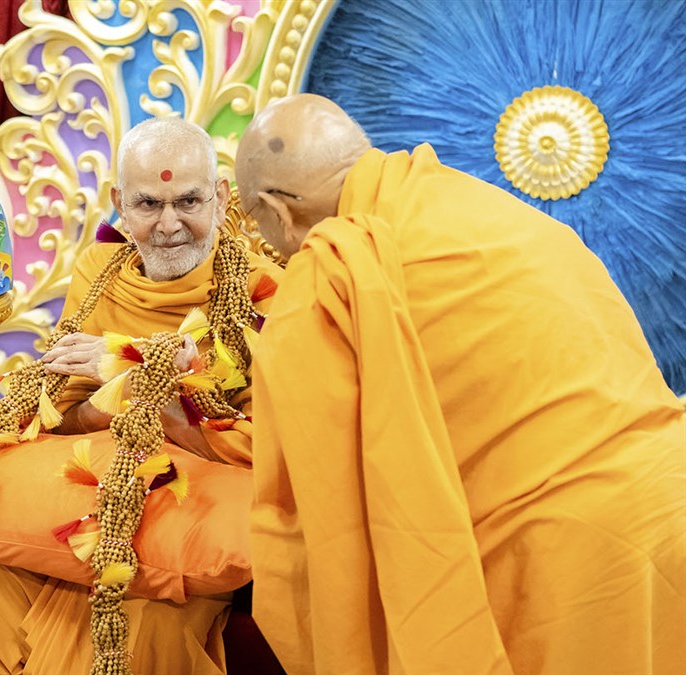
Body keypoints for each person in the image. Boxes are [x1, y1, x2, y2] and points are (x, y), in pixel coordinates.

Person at [235, 94, 686, 675]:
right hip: (669, 486)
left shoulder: (330, 278)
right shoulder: (468, 198)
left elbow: (324, 503)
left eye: (256, 223)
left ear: (276, 210)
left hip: (575, 557)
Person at [0, 117, 280, 674]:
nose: (169, 225)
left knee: (131, 622)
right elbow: (63, 414)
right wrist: (116, 395)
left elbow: (271, 448)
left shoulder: (267, 295)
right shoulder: (100, 269)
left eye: (188, 201)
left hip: (188, 521)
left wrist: (138, 375)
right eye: (148, 204)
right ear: (119, 202)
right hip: (86, 491)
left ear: (220, 198)